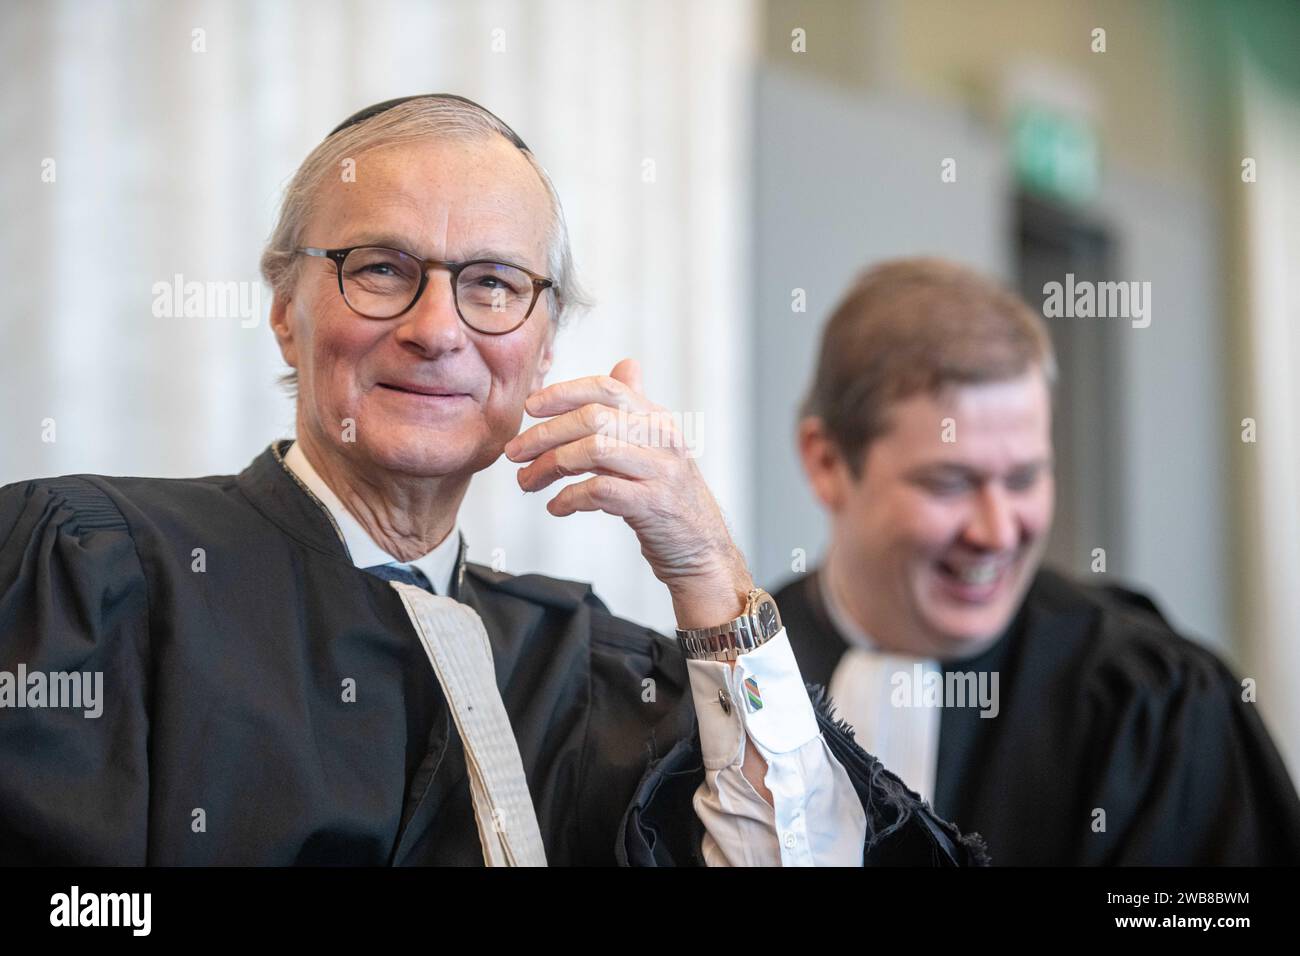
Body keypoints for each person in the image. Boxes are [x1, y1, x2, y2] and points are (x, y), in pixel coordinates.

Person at [0, 96, 985, 867]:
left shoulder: (588, 665)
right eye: (380, 267)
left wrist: (709, 572)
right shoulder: (100, 565)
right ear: (285, 310)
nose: (437, 328)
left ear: (544, 339)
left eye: (492, 284)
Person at [775, 256, 1300, 865]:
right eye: (949, 482)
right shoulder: (739, 680)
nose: (997, 531)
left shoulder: (1152, 703)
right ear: (827, 464)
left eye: (1024, 478)